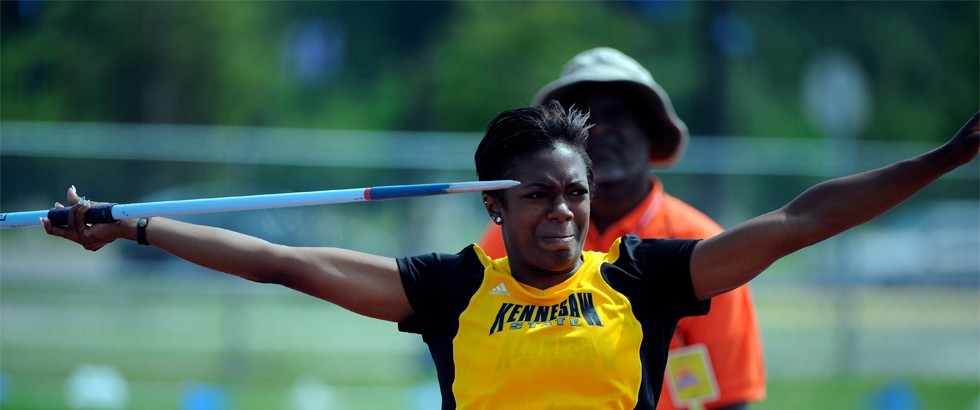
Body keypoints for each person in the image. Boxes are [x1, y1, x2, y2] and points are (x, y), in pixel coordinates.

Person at [45, 103, 978, 409]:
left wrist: (941, 159)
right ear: (495, 201)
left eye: (577, 192)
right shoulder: (451, 288)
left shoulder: (644, 278)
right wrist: (130, 225)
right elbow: (280, 263)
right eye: (540, 193)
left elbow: (802, 220)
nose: (567, 211)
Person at [477, 47, 764, 409]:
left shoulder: (700, 243)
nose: (600, 131)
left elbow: (728, 397)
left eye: (617, 116)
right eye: (583, 119)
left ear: (650, 133)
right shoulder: (512, 237)